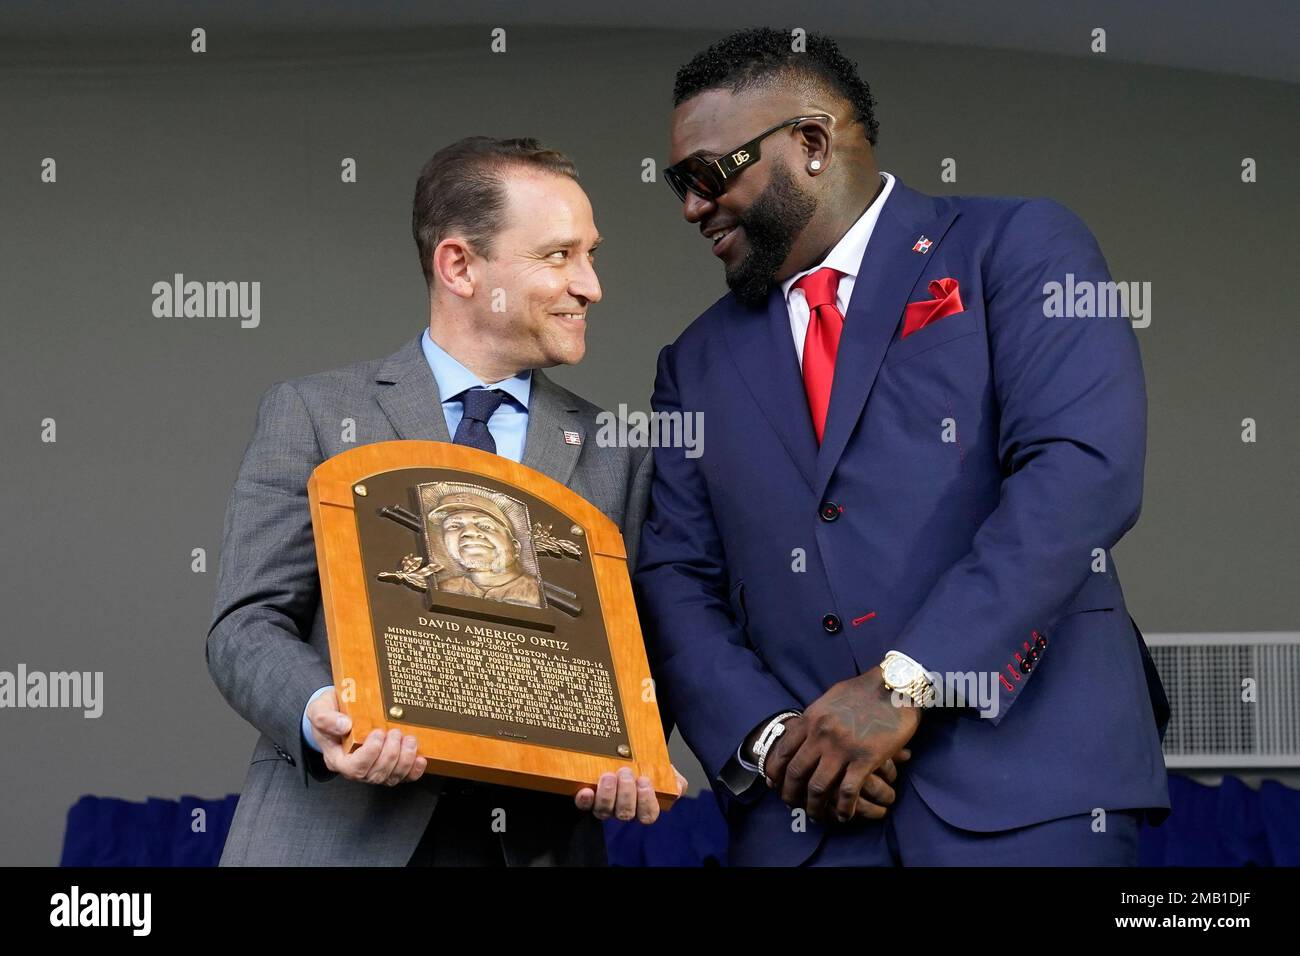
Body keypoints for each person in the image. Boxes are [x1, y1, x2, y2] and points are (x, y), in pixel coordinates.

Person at [634, 28, 1170, 866]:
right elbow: (675, 574)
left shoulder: (1018, 247)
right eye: (680, 184)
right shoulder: (693, 362)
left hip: (1028, 797)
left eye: (707, 174)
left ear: (810, 143)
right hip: (806, 822)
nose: (692, 206)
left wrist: (904, 682)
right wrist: (776, 741)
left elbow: (1081, 472)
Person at [209, 136, 684, 866]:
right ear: (460, 266)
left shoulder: (623, 449)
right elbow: (246, 624)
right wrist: (324, 716)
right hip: (340, 834)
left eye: (590, 255)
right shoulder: (310, 412)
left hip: (539, 845)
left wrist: (633, 750)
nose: (590, 285)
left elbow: (646, 653)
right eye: (558, 256)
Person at [432, 492, 544, 608]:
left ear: (515, 547)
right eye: (454, 526)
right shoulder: (444, 589)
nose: (469, 532)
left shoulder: (538, 594)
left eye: (485, 526)